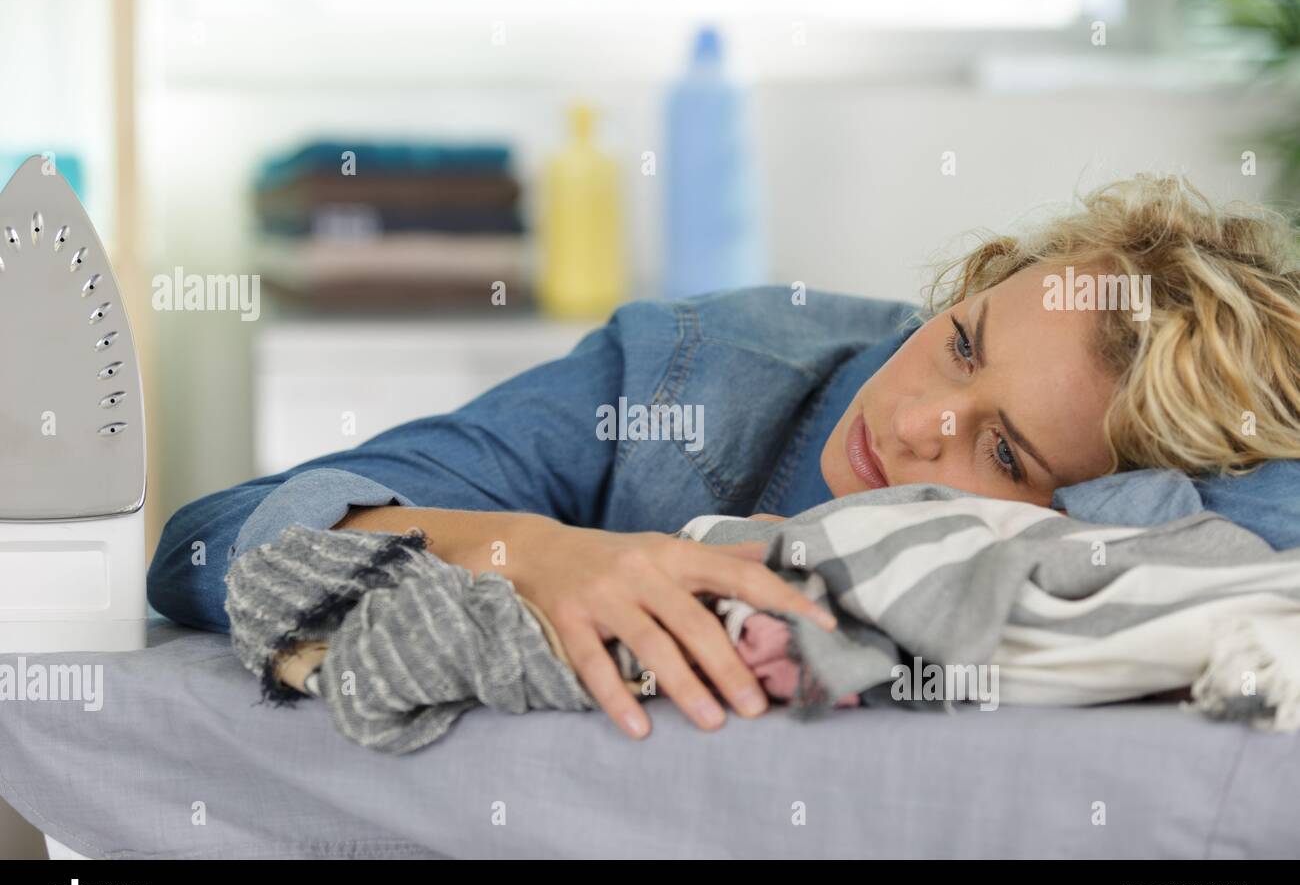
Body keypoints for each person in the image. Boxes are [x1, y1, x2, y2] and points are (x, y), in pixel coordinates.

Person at [148, 173, 1300, 739]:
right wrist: (532, 554)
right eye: (959, 344)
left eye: (998, 444)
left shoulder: (1159, 515)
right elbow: (204, 542)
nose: (912, 422)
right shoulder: (696, 373)